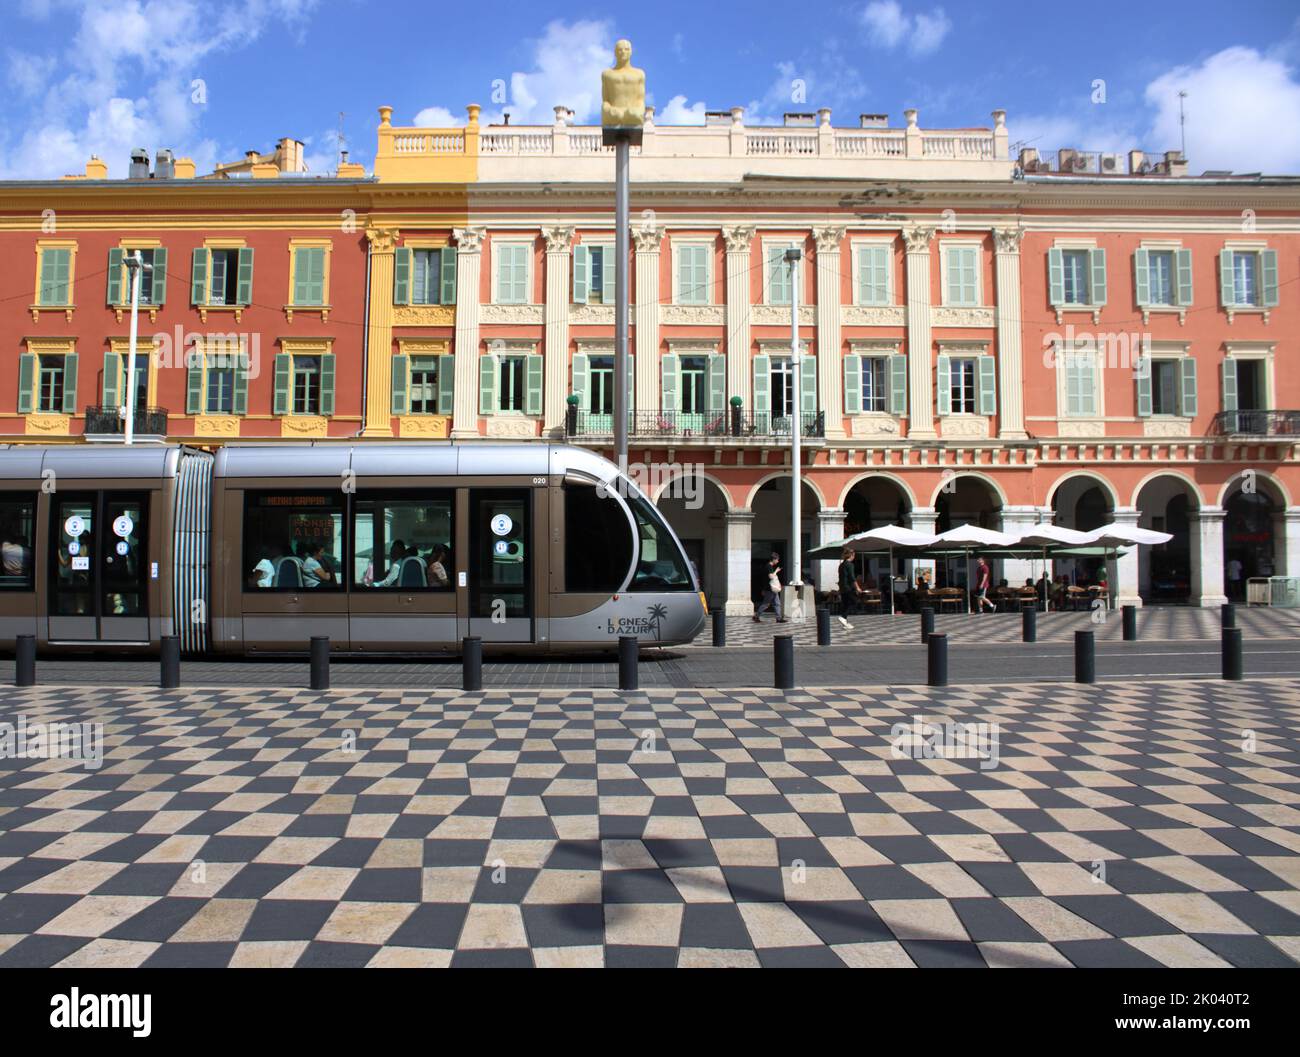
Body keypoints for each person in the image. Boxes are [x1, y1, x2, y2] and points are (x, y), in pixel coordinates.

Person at [753, 551, 786, 623]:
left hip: (772, 589)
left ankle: (779, 618)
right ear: (773, 559)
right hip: (770, 589)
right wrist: (776, 571)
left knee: (777, 603)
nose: (778, 561)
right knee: (766, 604)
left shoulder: (769, 566)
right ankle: (756, 616)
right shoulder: (769, 566)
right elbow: (771, 577)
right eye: (777, 559)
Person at [836, 548, 859, 629]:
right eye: (854, 555)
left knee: (846, 603)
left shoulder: (841, 565)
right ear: (851, 555)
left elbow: (841, 578)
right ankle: (843, 617)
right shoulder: (850, 565)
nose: (854, 557)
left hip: (842, 587)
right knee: (854, 601)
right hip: (849, 587)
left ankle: (844, 621)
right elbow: (852, 578)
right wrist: (858, 587)